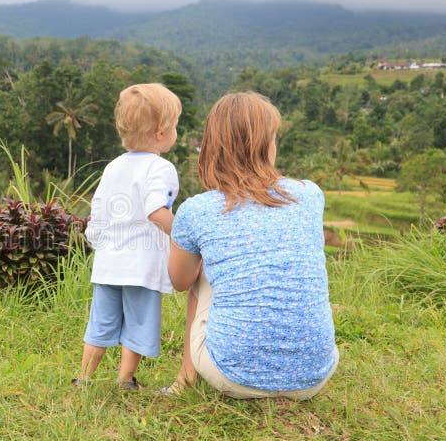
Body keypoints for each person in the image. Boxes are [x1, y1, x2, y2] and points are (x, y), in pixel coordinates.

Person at [163, 91, 338, 399]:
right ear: (267, 145)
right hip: (315, 377)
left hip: (231, 377)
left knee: (200, 273)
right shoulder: (310, 194)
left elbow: (180, 281)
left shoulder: (197, 210)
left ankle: (185, 379)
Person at [73, 83, 181, 390]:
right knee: (138, 321)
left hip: (108, 262)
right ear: (161, 133)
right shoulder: (160, 168)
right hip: (141, 264)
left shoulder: (113, 167)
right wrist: (184, 236)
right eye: (174, 126)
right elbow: (156, 211)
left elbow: (97, 212)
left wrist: (102, 245)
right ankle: (125, 378)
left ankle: (84, 377)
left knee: (100, 322)